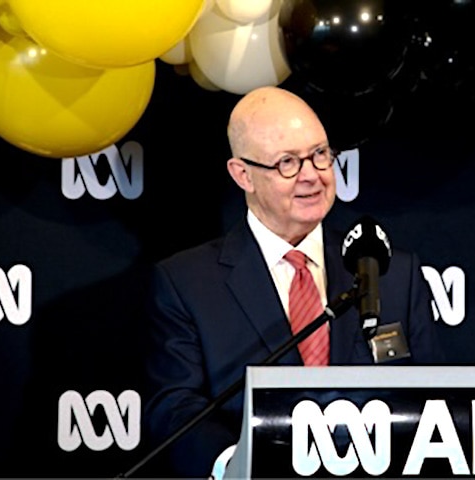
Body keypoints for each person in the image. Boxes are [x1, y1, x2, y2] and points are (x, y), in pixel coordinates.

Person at [142, 86, 444, 477]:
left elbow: (434, 396)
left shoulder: (391, 272)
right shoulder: (187, 283)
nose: (312, 177)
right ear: (243, 175)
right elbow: (175, 406)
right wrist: (236, 466)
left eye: (320, 154)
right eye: (287, 163)